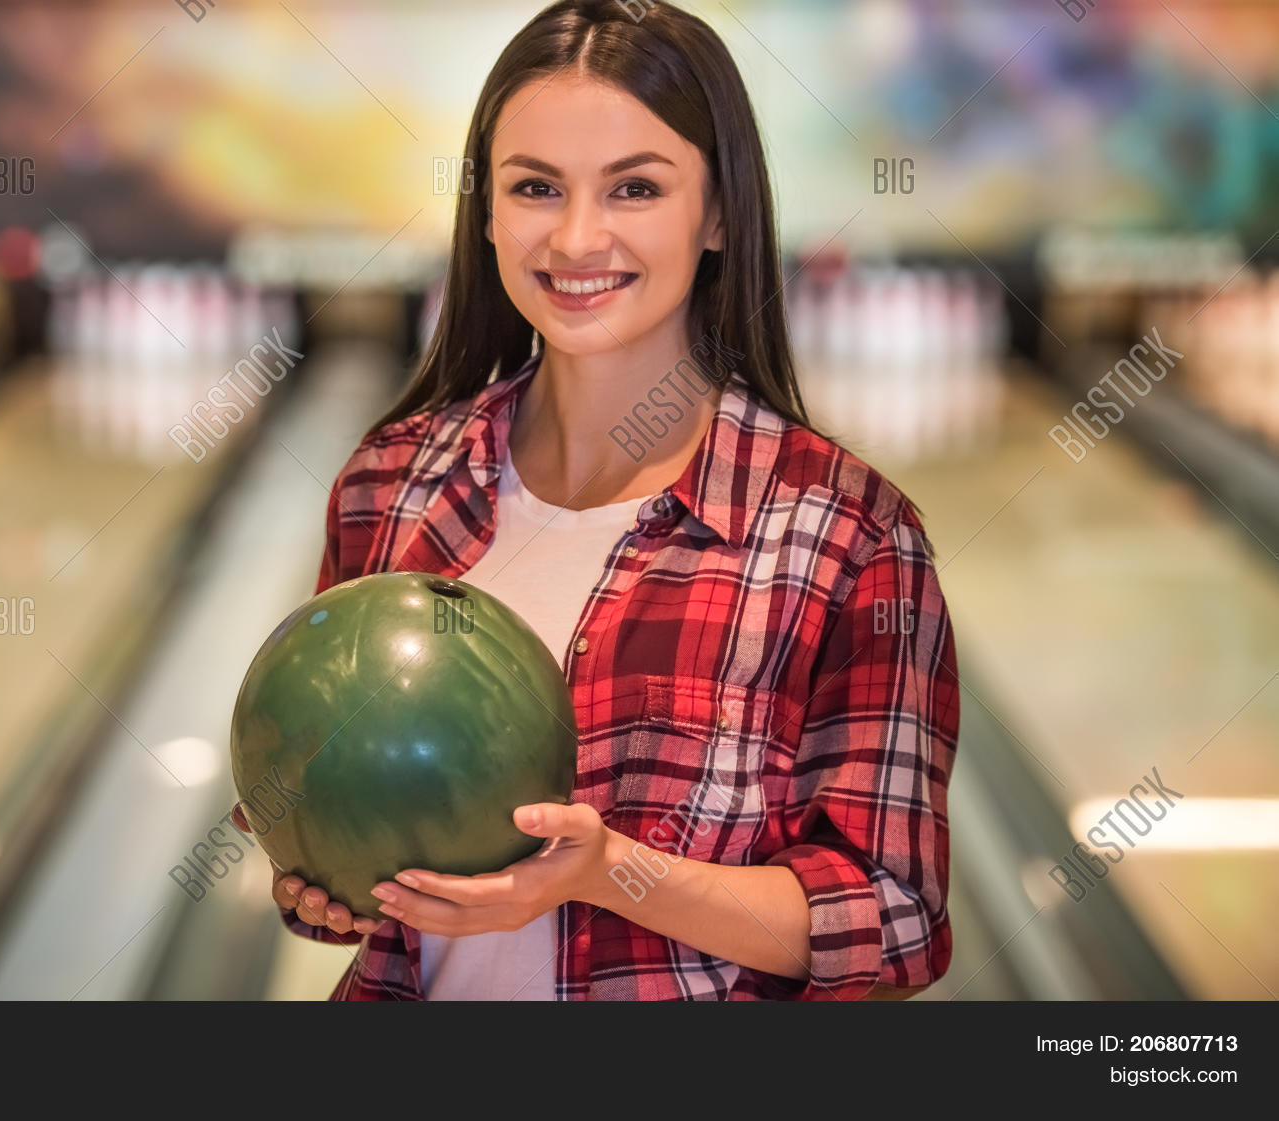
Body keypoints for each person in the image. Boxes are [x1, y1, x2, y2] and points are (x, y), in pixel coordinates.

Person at [231, 0, 958, 1000]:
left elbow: (896, 918)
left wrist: (610, 871)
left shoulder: (848, 536)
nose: (578, 237)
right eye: (536, 187)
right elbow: (339, 828)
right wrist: (327, 874)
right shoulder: (388, 486)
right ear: (486, 209)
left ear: (717, 213)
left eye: (635, 188)